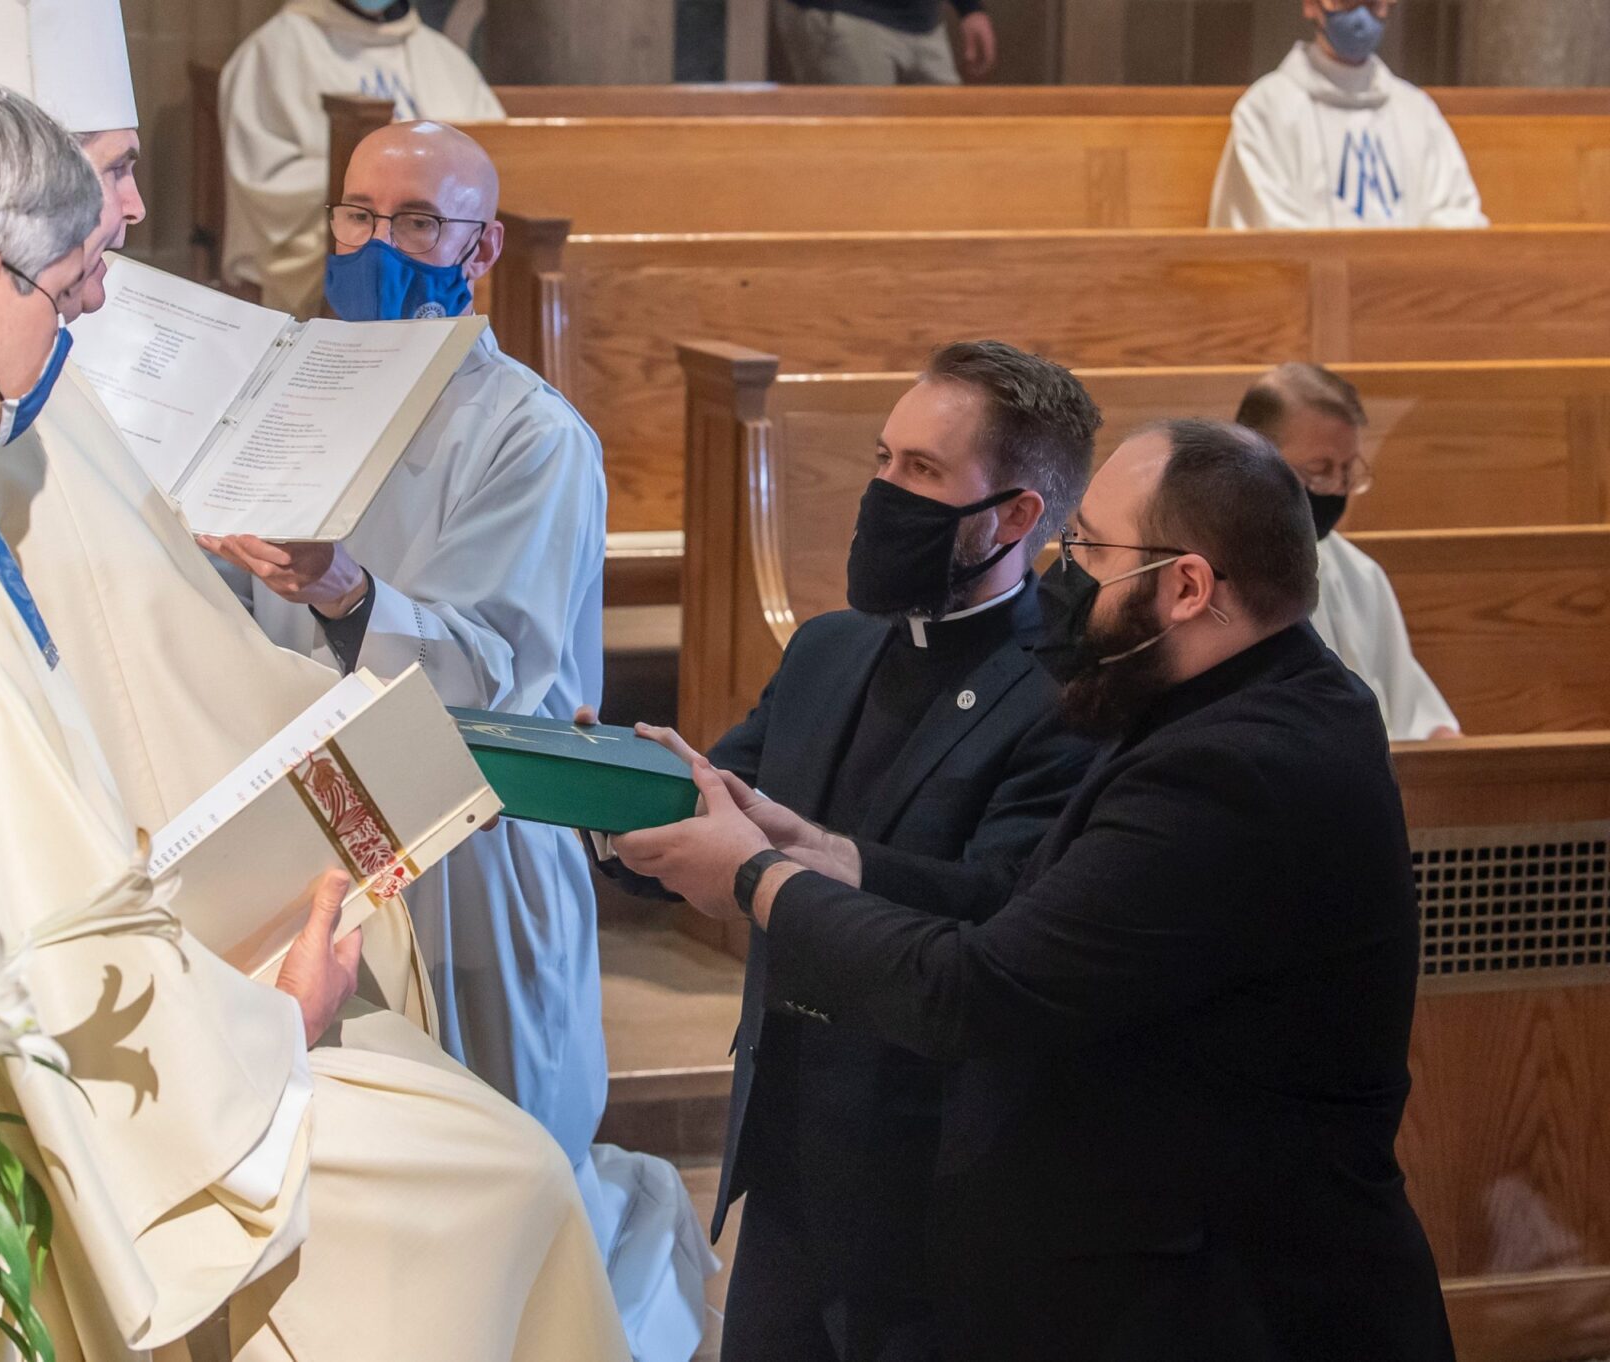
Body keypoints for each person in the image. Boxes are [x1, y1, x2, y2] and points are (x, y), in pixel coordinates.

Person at [0, 72, 628, 1362]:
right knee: (511, 1180)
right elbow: (43, 930)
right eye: (63, 290)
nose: (84, 313)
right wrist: (273, 1022)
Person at [613, 419, 1455, 1361]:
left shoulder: (1237, 768)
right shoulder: (1237, 698)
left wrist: (755, 879)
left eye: (1089, 546)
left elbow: (983, 989)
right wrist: (812, 850)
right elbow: (1029, 905)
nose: (1064, 571)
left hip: (1229, 1305)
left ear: (1187, 586)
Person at [203, 119, 715, 1362]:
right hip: (303, 814)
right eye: (358, 215)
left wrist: (345, 591)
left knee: (499, 1153)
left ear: (480, 250)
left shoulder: (530, 435)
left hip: (468, 831)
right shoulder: (286, 400)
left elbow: (500, 670)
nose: (377, 243)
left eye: (418, 223)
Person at [603, 341, 1100, 1362]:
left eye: (921, 471)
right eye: (881, 458)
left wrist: (784, 862)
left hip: (939, 1185)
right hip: (788, 1156)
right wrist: (601, 798)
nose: (883, 493)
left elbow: (997, 904)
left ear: (1014, 517)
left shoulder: (1066, 689)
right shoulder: (829, 646)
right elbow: (714, 804)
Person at [218, 0, 503, 315]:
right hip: (318, 284)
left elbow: (500, 167)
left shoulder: (445, 58)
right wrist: (376, 204)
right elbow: (262, 179)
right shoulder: (274, 50)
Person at [1236, 362, 1459, 740]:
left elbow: (1414, 710)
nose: (1337, 489)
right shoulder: (1217, 575)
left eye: (1347, 471)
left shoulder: (1361, 574)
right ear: (1252, 458)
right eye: (1320, 469)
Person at [1210, 0, 1485, 229]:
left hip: (1412, 280)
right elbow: (1270, 231)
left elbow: (1457, 214)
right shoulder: (1267, 110)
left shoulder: (1415, 111)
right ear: (1310, 5)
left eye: (1373, 3)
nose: (1361, 15)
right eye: (1347, 1)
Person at [770, 0, 997, 86]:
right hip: (849, 15)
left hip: (922, 21)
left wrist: (969, 8)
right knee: (858, 151)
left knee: (951, 143)